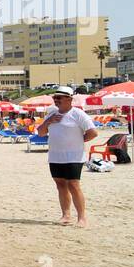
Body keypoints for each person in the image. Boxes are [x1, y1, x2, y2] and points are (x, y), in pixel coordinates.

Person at [38, 86, 98, 227]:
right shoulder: (51, 114)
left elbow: (93, 133)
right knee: (60, 184)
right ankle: (66, 215)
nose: (56, 100)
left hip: (74, 156)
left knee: (73, 185)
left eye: (59, 97)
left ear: (69, 99)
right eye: (55, 98)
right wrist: (48, 121)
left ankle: (82, 218)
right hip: (55, 156)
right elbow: (40, 133)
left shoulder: (78, 114)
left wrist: (79, 140)